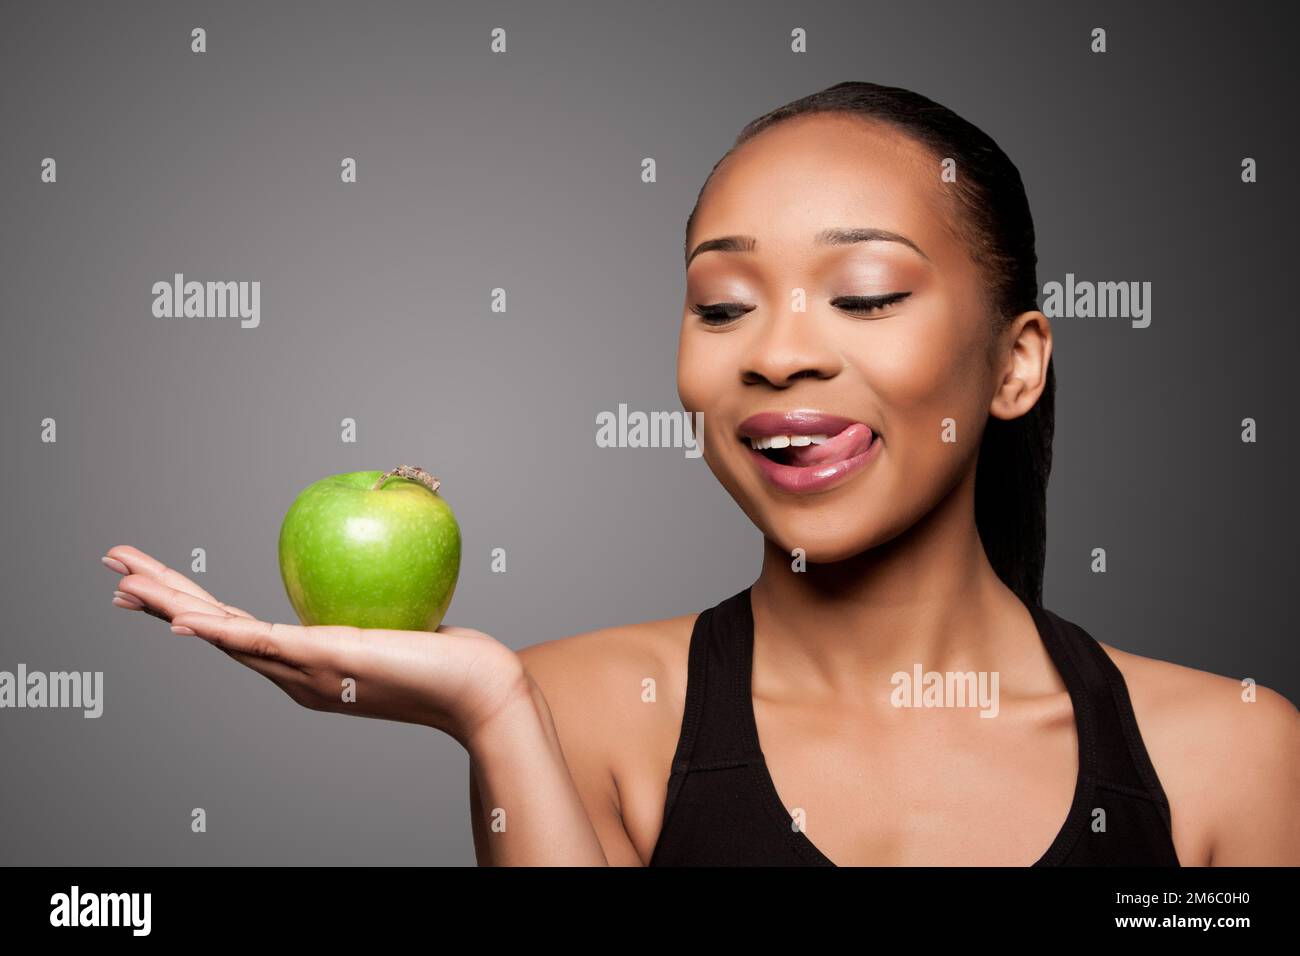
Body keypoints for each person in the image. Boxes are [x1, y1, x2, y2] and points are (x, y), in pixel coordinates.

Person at [102, 81, 1298, 866]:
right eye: (722, 304)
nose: (776, 353)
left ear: (1015, 363)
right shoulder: (578, 714)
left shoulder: (1230, 756)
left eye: (866, 295)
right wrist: (492, 712)